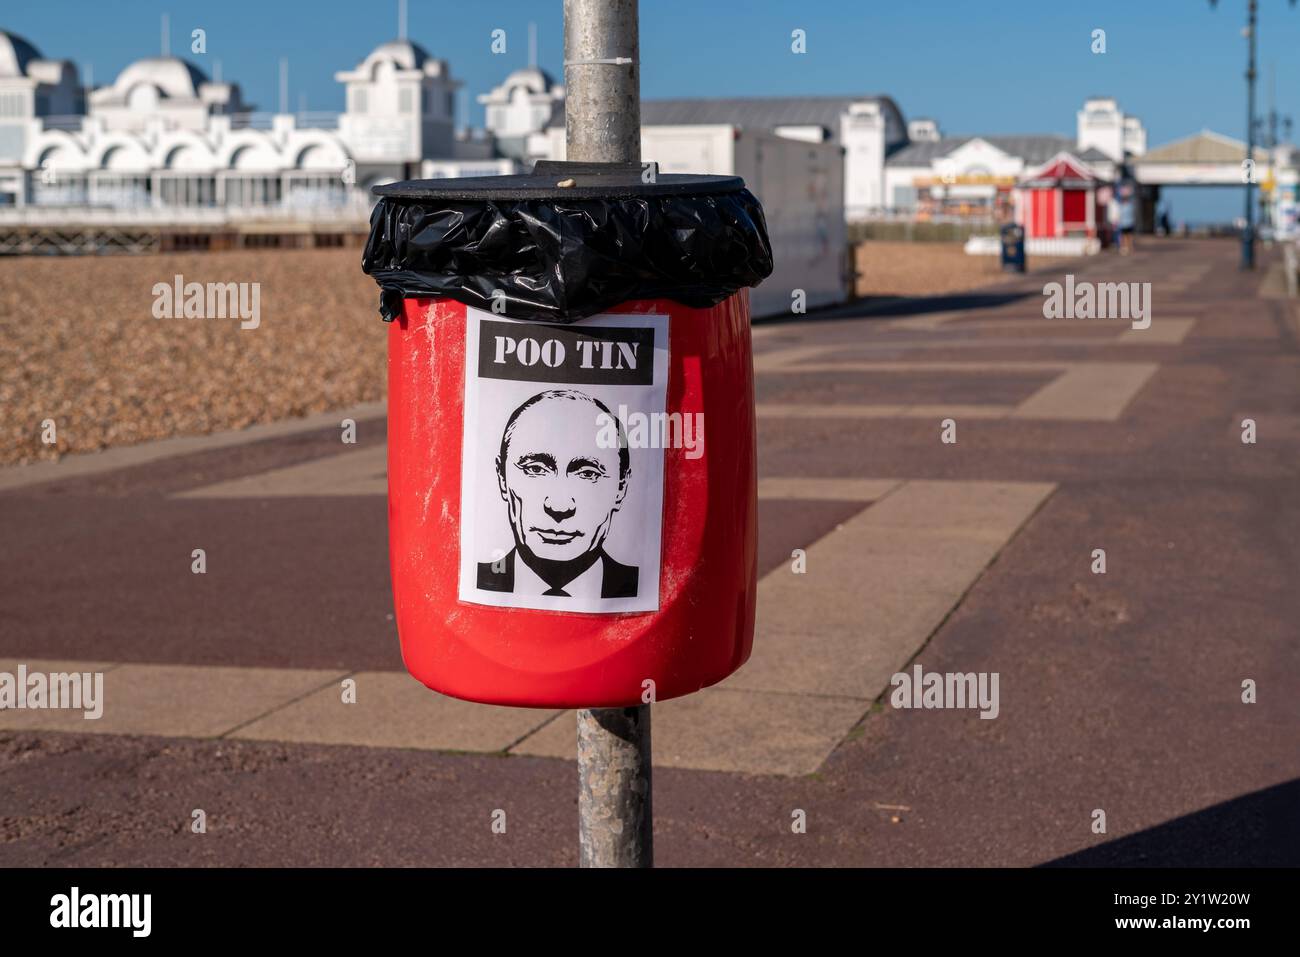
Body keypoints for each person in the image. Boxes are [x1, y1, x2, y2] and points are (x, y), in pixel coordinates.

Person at [477, 389, 638, 599]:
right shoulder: (475, 580)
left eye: (588, 473)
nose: (559, 507)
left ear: (621, 486)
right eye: (535, 469)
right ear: (502, 478)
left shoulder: (642, 587)